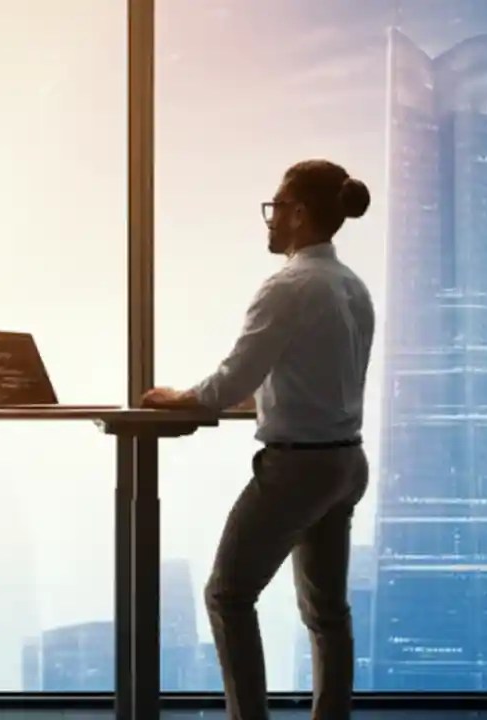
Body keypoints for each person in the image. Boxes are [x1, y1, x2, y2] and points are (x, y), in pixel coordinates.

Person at [141, 159, 375, 720]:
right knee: (327, 613)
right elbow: (305, 378)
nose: (269, 221)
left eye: (275, 208)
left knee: (227, 595)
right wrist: (240, 398)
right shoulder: (351, 286)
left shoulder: (288, 285)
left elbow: (234, 378)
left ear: (297, 213)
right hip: (346, 463)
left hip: (297, 472)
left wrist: (184, 396)